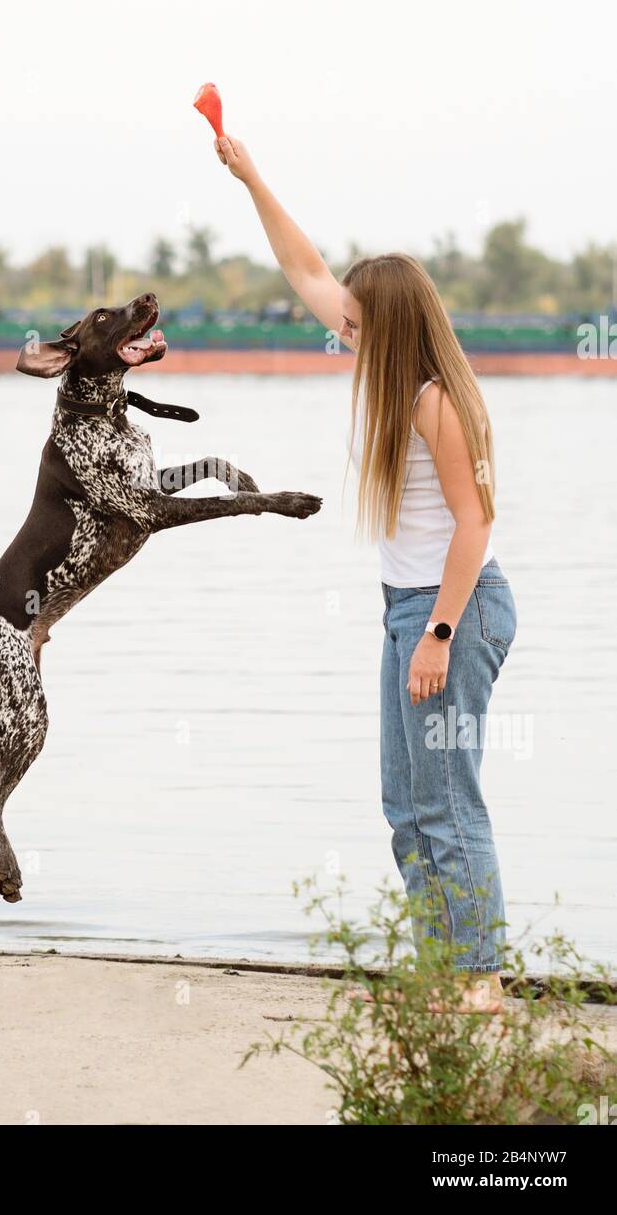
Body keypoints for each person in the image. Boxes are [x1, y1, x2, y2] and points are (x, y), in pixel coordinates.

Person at [212, 133, 517, 1013]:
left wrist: (438, 635)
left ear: (390, 327)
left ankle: (481, 978)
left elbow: (476, 523)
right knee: (406, 804)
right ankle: (442, 973)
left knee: (447, 799)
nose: (338, 329)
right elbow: (303, 267)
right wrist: (252, 177)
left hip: (452, 609)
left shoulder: (431, 401)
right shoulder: (383, 370)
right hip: (408, 609)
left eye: (354, 322)